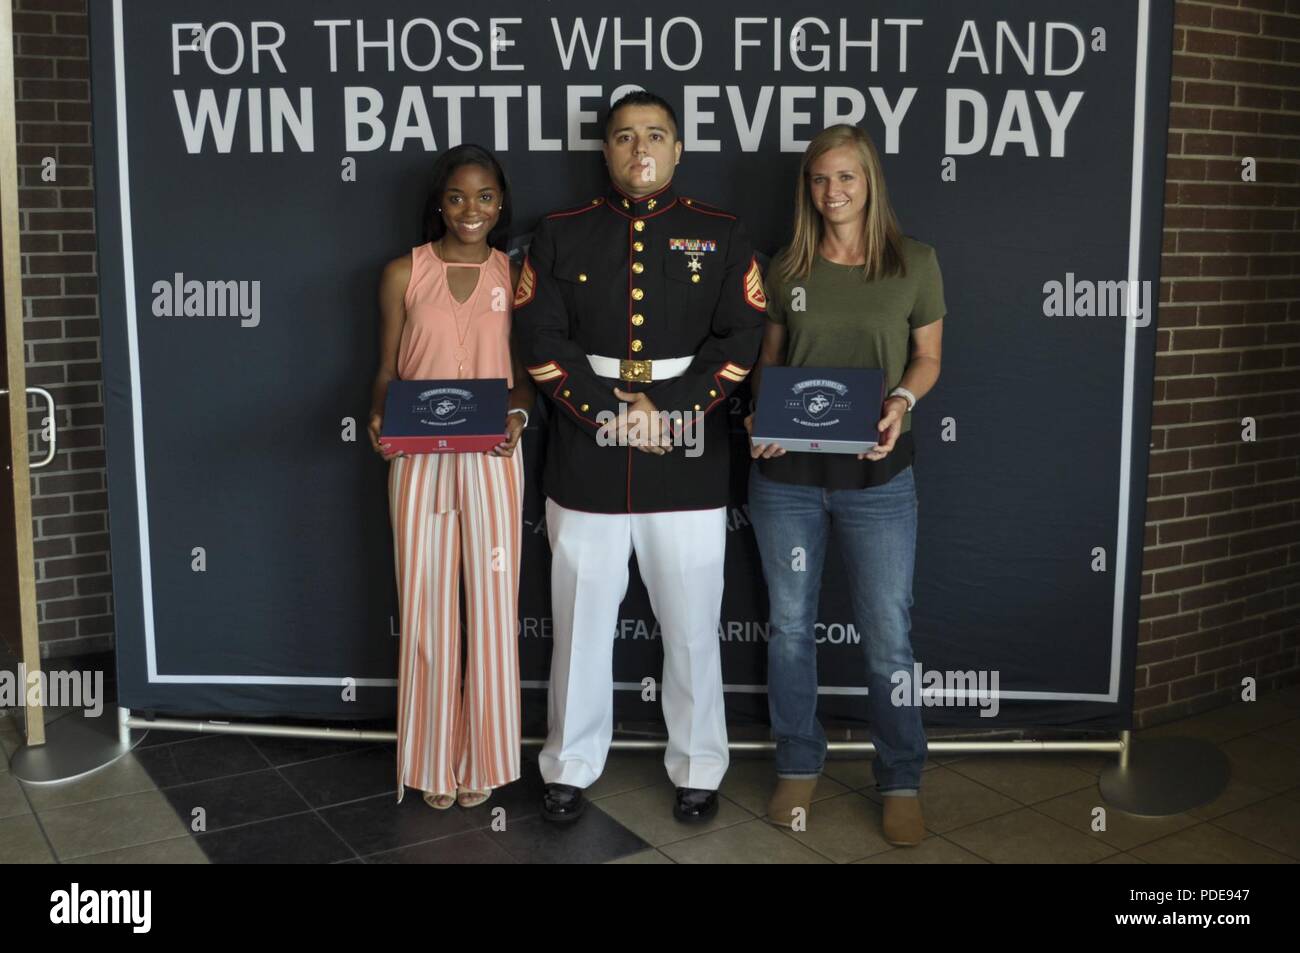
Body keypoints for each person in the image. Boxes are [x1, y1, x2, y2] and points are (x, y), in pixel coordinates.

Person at [513, 91, 765, 823]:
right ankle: (569, 764)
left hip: (686, 451)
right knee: (582, 623)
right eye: (624, 136)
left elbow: (740, 337)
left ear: (679, 148)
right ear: (606, 150)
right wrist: (604, 413)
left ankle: (698, 764)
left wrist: (674, 407)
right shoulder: (561, 233)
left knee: (691, 626)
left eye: (656, 133)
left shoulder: (719, 232)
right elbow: (542, 338)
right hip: (586, 454)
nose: (640, 147)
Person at [745, 123, 946, 846]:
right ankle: (798, 762)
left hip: (878, 479)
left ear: (870, 182)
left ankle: (900, 775)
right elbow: (770, 360)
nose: (833, 192)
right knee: (791, 627)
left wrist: (902, 402)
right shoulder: (786, 267)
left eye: (847, 178)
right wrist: (758, 415)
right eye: (821, 179)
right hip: (786, 479)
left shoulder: (914, 262)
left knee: (889, 636)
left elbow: (927, 358)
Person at [367, 144, 535, 811]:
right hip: (418, 456)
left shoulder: (514, 275)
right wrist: (379, 418)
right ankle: (434, 759)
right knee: (428, 608)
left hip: (494, 455)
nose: (473, 209)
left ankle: (485, 760)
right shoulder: (403, 272)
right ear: (440, 201)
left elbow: (524, 376)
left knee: (493, 612)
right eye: (460, 197)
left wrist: (519, 413)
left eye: (486, 197)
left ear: (501, 203)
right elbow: (385, 371)